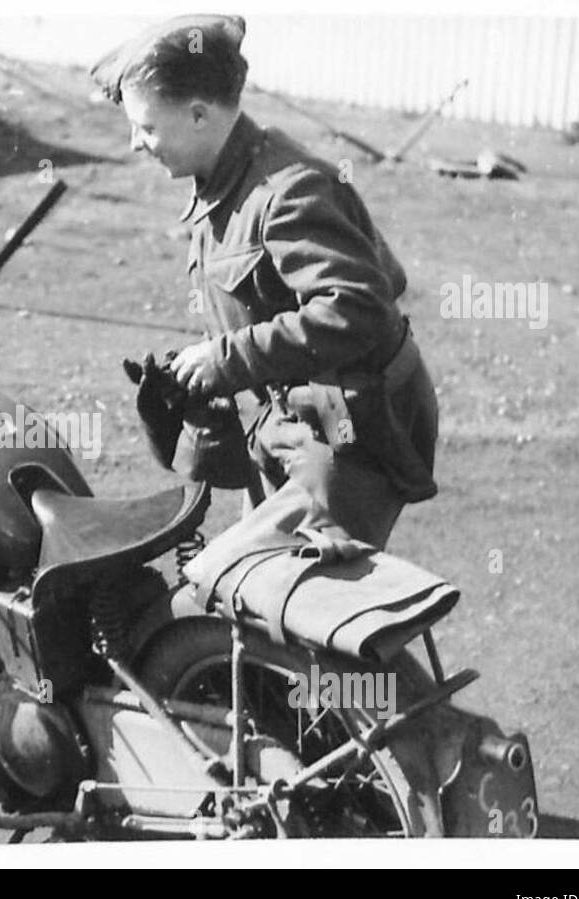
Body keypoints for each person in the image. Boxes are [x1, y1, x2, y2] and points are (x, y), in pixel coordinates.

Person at [91, 15, 438, 564]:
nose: (136, 144)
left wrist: (228, 358)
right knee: (249, 593)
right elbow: (255, 309)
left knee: (270, 602)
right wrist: (199, 375)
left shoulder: (290, 190)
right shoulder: (224, 182)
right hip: (291, 424)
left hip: (350, 439)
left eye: (147, 128)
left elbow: (358, 308)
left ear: (200, 115)